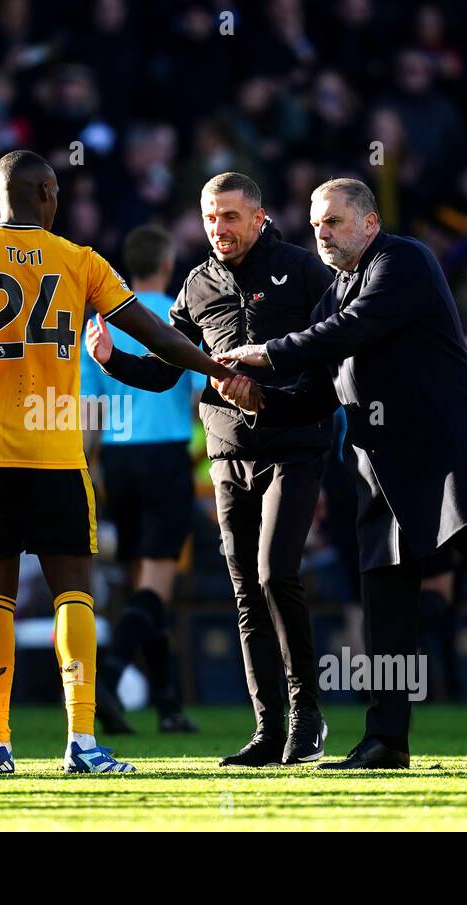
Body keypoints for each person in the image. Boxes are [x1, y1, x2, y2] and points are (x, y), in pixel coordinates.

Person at [216, 177, 467, 770]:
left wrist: (266, 354)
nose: (322, 234)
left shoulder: (404, 261)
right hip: (383, 470)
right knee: (387, 613)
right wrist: (260, 400)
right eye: (317, 224)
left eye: (335, 222)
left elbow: (354, 331)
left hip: (453, 459)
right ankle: (386, 739)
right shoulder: (331, 297)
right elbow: (317, 394)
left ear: (369, 223)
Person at [0, 150, 239, 775]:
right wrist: (217, 367)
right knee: (73, 593)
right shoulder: (79, 261)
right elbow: (153, 335)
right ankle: (82, 741)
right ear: (48, 194)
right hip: (55, 448)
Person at [85, 173, 333, 766]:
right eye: (209, 218)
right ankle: (268, 729)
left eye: (229, 217)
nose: (218, 229)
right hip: (226, 453)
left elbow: (330, 355)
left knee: (277, 575)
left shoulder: (302, 271)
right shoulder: (197, 284)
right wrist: (114, 359)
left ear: (260, 217)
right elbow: (168, 368)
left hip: (294, 446)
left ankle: (307, 718)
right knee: (245, 588)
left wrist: (273, 396)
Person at [80, 224, 201, 735]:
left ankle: (168, 705)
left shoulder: (104, 319)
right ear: (168, 263)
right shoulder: (180, 313)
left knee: (144, 588)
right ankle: (105, 680)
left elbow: (90, 410)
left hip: (118, 464)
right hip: (166, 458)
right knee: (157, 582)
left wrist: (87, 469)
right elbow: (198, 393)